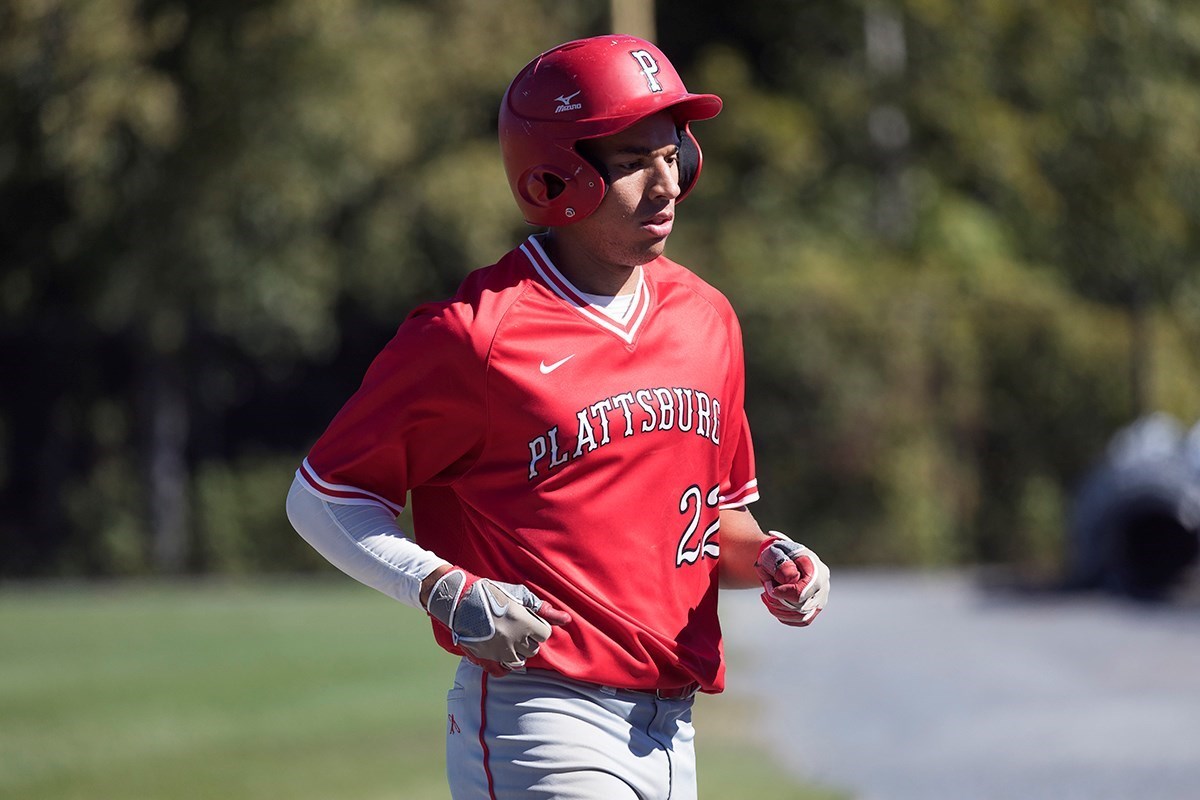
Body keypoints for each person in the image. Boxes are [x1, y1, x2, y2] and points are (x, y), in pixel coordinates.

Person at [285, 33, 830, 800]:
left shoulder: (708, 319)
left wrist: (773, 559)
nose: (667, 182)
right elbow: (323, 496)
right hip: (542, 716)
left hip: (675, 729)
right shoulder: (477, 334)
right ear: (554, 177)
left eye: (673, 153)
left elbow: (717, 529)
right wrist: (441, 587)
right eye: (635, 159)